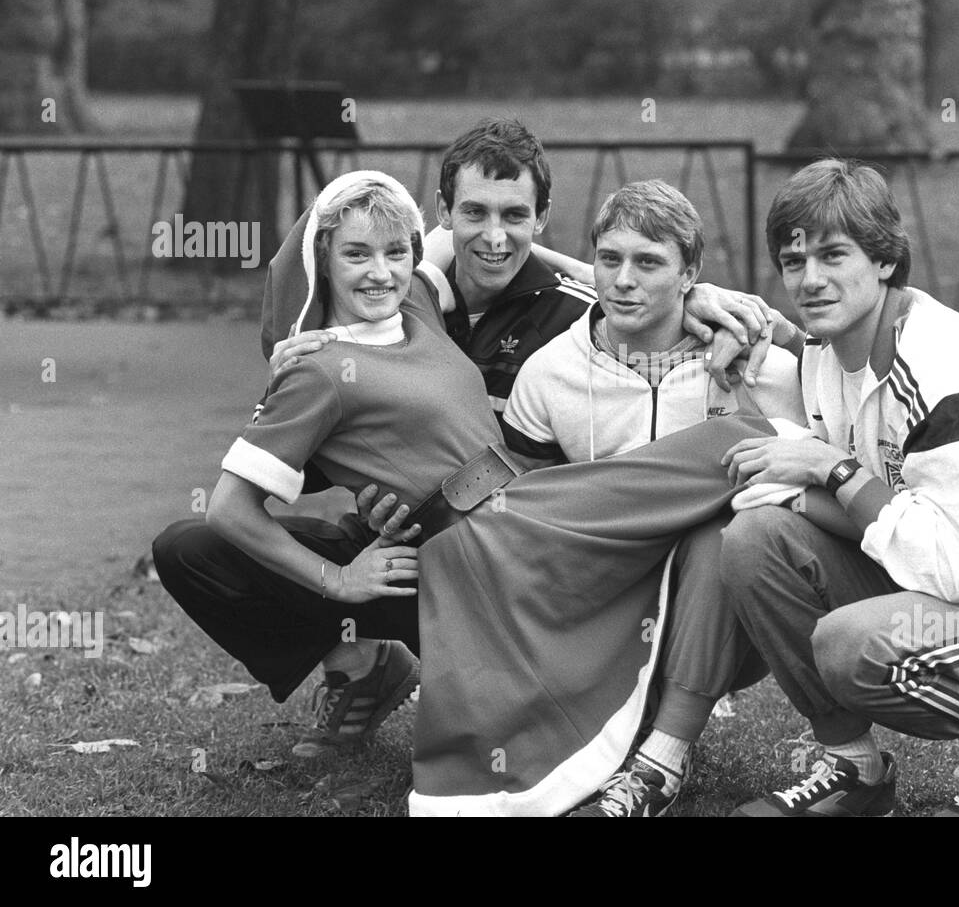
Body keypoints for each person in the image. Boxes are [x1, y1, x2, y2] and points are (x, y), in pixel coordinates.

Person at [157, 169, 779, 816]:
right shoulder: (315, 368)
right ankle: (365, 666)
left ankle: (646, 708)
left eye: (397, 252)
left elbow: (483, 238)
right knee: (191, 547)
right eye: (356, 254)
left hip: (527, 515)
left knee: (707, 458)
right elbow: (230, 508)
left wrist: (685, 291)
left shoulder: (416, 306)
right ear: (321, 260)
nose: (381, 271)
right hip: (456, 558)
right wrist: (338, 579)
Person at [717, 159, 959, 817]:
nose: (810, 279)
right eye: (793, 261)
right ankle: (853, 768)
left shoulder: (937, 365)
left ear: (882, 260)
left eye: (833, 255)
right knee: (754, 540)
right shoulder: (827, 345)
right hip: (948, 581)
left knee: (850, 642)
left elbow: (951, 567)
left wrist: (830, 471)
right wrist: (712, 311)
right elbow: (868, 493)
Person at [500, 180, 804, 816]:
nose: (622, 281)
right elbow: (523, 512)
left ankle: (663, 757)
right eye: (609, 260)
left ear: (690, 272)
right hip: (598, 607)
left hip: (725, 608)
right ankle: (603, 719)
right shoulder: (548, 373)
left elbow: (838, 423)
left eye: (648, 262)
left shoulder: (765, 370)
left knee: (719, 529)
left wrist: (784, 331)